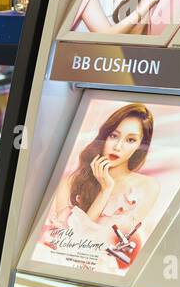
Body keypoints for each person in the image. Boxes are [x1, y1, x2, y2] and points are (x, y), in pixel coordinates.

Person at [43, 104, 160, 268]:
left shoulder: (147, 186)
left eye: (131, 140)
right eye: (114, 135)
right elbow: (68, 244)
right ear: (104, 136)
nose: (118, 146)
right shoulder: (69, 183)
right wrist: (105, 191)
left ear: (141, 145)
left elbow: (115, 246)